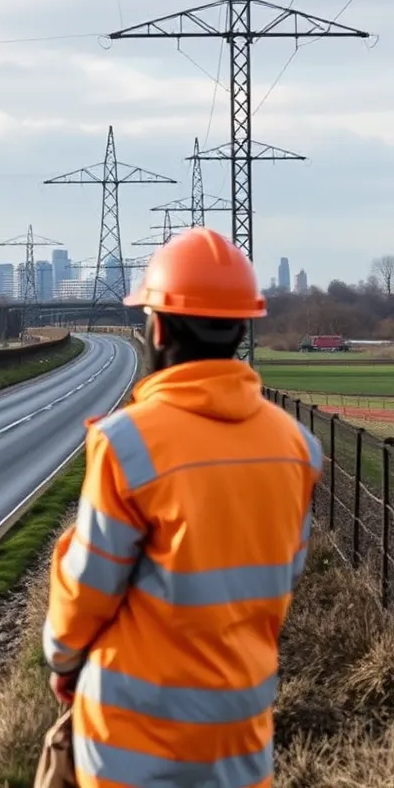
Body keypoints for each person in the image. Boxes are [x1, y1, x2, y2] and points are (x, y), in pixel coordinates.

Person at [42, 227, 322, 787]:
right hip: (239, 731)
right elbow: (280, 581)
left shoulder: (128, 443)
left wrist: (63, 662)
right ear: (242, 328)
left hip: (132, 738)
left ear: (159, 327)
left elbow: (88, 587)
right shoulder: (297, 447)